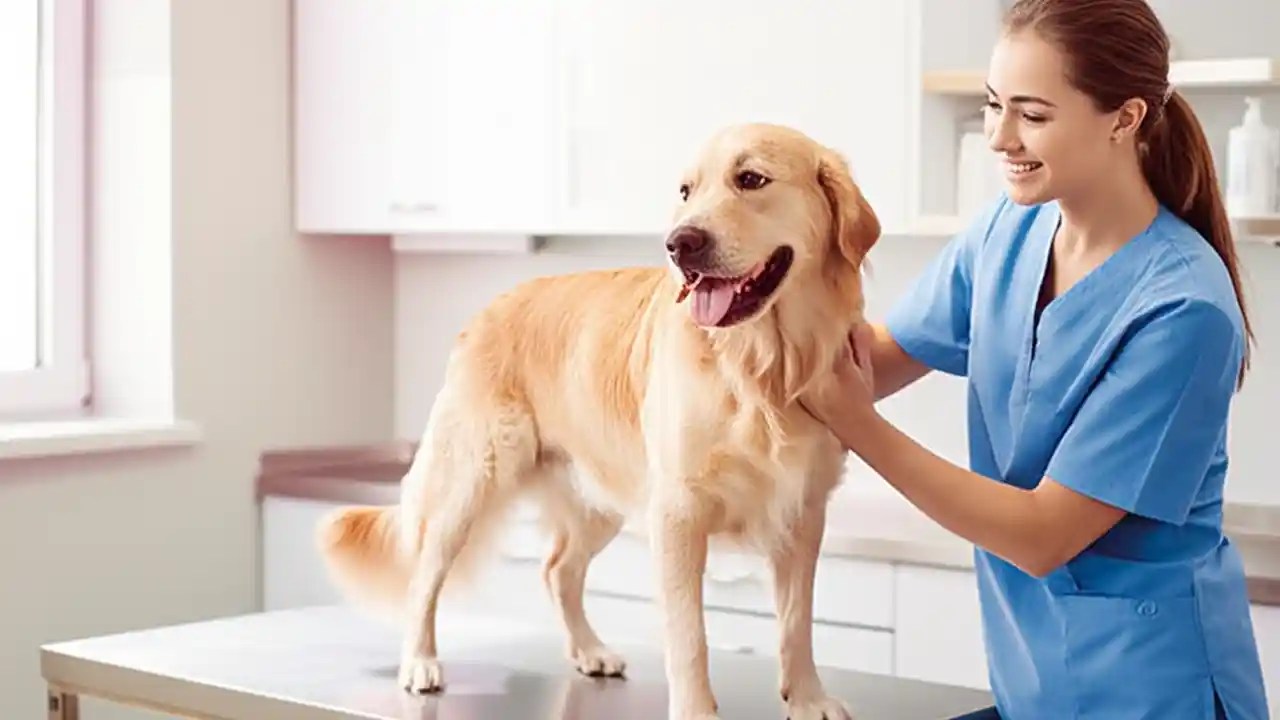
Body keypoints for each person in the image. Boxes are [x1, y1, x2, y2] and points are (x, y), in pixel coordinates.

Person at [800, 1, 1271, 718]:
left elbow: (1042, 535)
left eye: (1032, 114)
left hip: (1154, 695)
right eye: (993, 106)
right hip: (1036, 691)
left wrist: (856, 424)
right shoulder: (1006, 232)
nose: (999, 137)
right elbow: (871, 362)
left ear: (1125, 118)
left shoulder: (1184, 311)